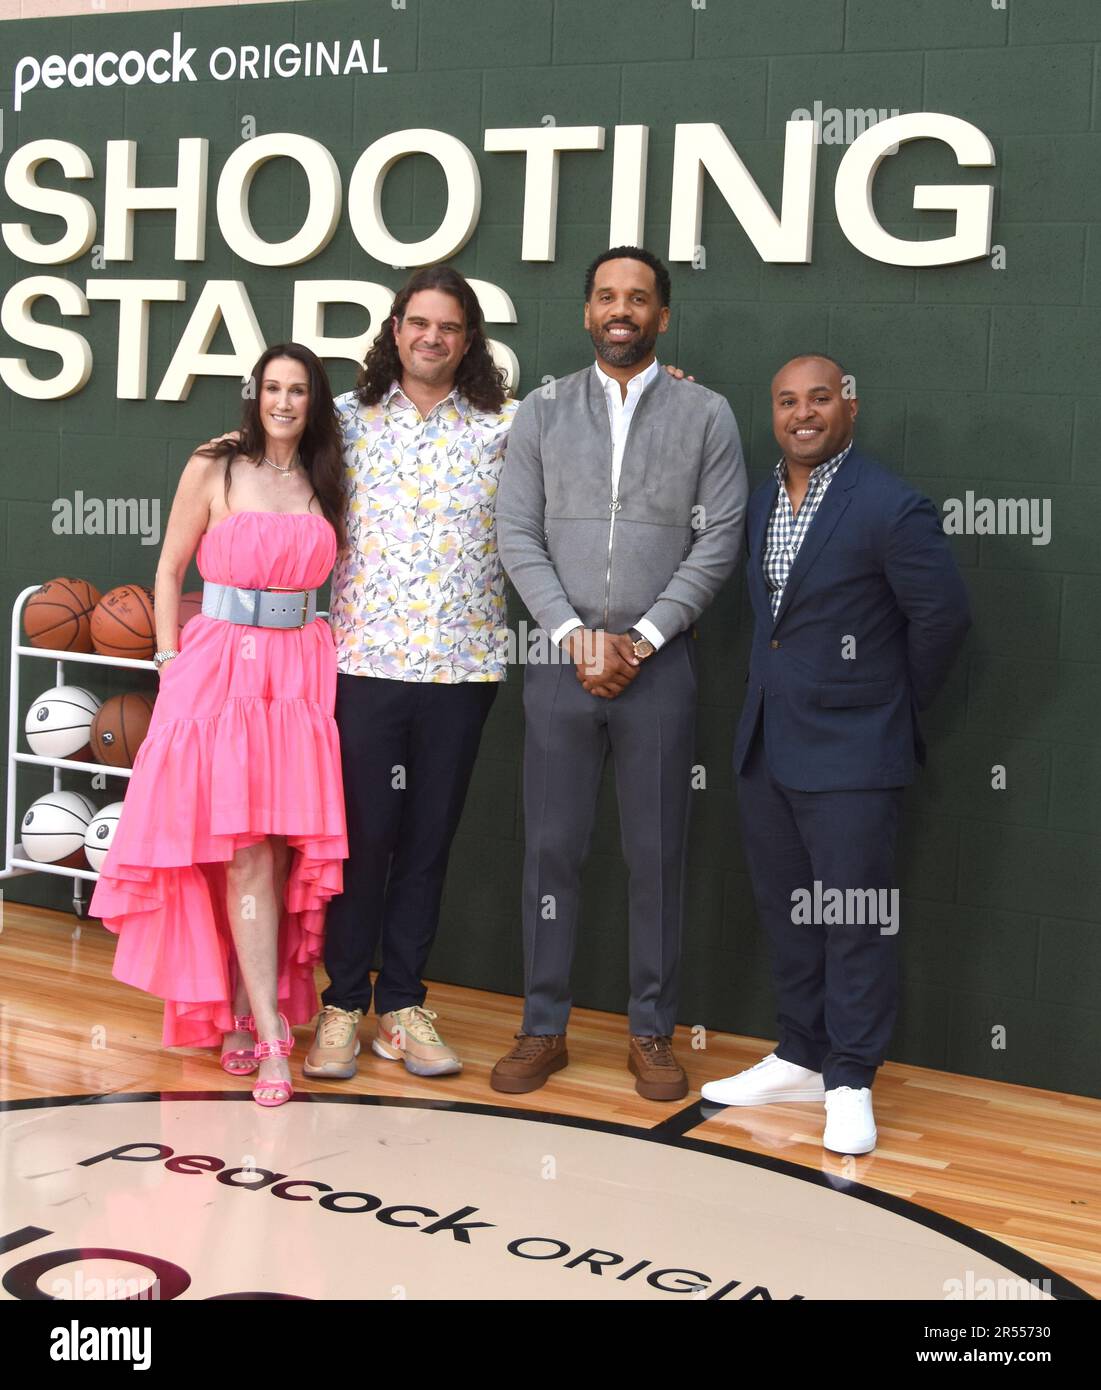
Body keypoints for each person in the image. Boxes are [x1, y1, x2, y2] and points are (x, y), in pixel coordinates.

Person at [490, 246, 748, 1101]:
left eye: (638, 298)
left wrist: (638, 638)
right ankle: (541, 1030)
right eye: (606, 296)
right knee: (549, 851)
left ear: (662, 316)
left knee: (656, 853)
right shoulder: (541, 411)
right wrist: (571, 635)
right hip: (561, 666)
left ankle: (651, 1033)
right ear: (586, 312)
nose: (621, 310)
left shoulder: (706, 414)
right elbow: (515, 534)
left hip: (660, 667)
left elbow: (718, 540)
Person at [701, 354, 971, 1153]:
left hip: (854, 755)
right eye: (786, 401)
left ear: (849, 406)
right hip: (767, 746)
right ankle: (801, 1055)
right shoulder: (760, 498)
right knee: (788, 912)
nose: (802, 414)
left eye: (819, 398)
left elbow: (944, 621)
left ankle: (851, 1077)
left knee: (853, 920)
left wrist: (883, 706)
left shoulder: (890, 505)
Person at [89, 344, 349, 1108]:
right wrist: (170, 662)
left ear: (313, 400)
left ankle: (239, 1007)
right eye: (272, 387)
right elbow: (170, 569)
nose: (283, 401)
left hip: (298, 673)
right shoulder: (214, 465)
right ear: (254, 393)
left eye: (298, 390)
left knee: (268, 853)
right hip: (218, 671)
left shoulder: (328, 475)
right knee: (235, 850)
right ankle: (270, 1035)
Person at [303, 265, 517, 1081]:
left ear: (469, 341)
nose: (432, 337)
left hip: (462, 673)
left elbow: (594, 424)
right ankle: (341, 1007)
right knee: (361, 843)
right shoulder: (347, 425)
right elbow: (273, 455)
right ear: (395, 331)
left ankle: (401, 1007)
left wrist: (660, 383)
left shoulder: (507, 426)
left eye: (449, 326)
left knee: (428, 845)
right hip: (363, 667)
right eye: (418, 322)